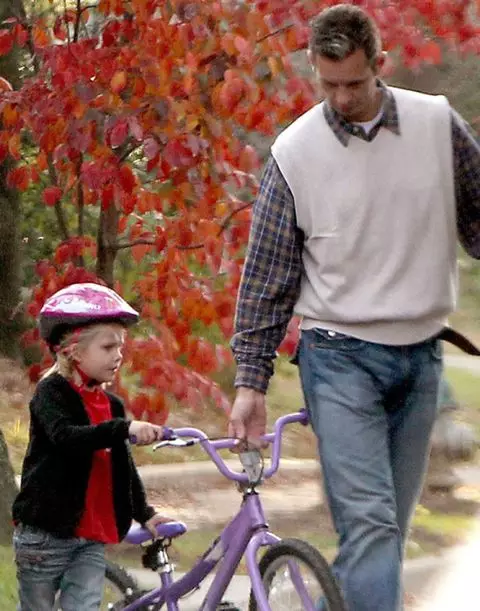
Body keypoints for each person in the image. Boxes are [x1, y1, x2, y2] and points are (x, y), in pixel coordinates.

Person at [229, 4, 480, 611]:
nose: (341, 98)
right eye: (328, 84)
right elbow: (268, 277)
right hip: (338, 358)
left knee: (384, 534)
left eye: (355, 83)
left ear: (382, 67)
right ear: (315, 71)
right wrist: (250, 380)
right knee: (371, 526)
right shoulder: (295, 152)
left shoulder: (436, 125)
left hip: (421, 358)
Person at [12, 282, 171, 611]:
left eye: (120, 347)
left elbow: (122, 465)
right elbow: (67, 437)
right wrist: (123, 429)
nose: (118, 355)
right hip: (45, 535)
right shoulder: (51, 394)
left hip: (91, 538)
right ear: (73, 351)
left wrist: (145, 513)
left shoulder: (111, 404)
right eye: (108, 347)